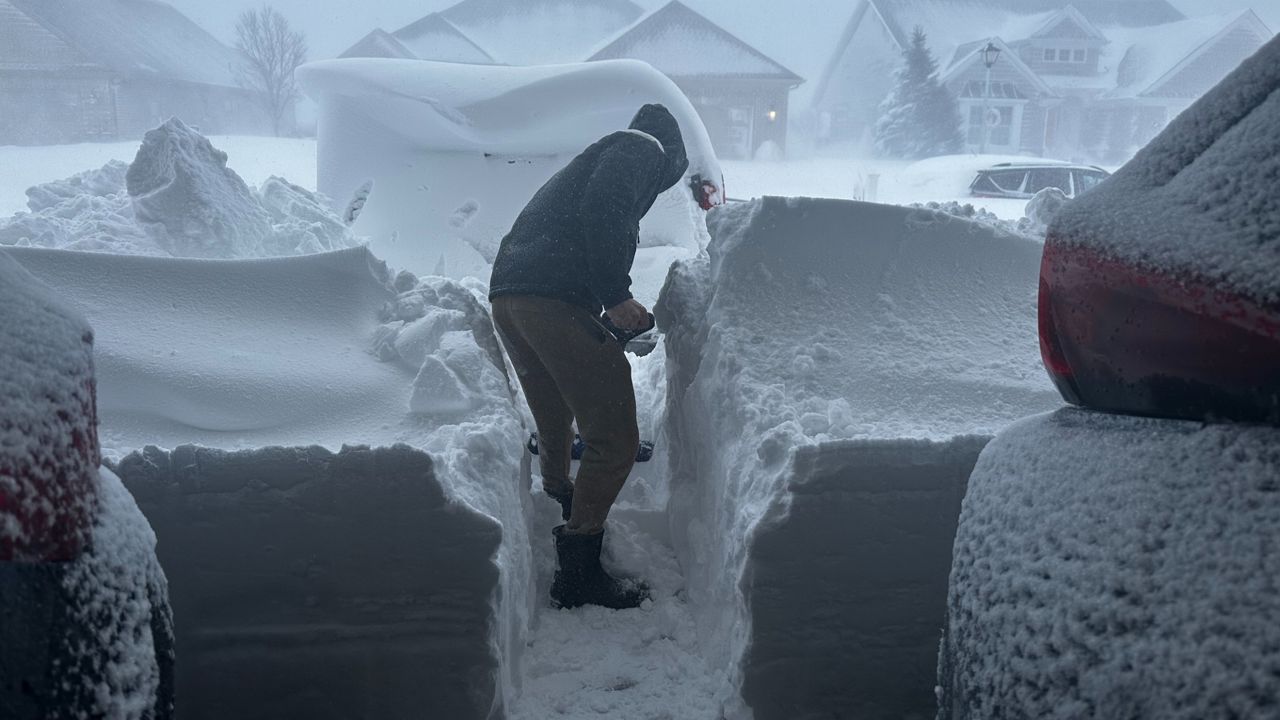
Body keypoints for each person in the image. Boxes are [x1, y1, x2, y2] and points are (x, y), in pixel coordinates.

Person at [489, 104, 691, 610]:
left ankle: (561, 492)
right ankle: (578, 570)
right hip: (552, 299)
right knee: (616, 440)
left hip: (512, 297)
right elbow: (605, 211)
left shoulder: (594, 157)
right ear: (671, 159)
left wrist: (595, 310)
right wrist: (616, 295)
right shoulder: (641, 148)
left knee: (554, 407)